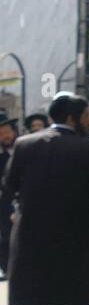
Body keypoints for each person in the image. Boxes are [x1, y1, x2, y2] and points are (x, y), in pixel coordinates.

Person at [1, 95, 89, 305]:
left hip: (32, 233)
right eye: (86, 115)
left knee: (34, 294)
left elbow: (9, 186)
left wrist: (17, 213)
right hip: (77, 232)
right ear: (72, 118)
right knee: (79, 287)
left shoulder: (25, 144)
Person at [0, 116, 18, 280]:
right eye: (1, 134)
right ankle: (6, 268)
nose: (5, 136)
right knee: (4, 237)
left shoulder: (23, 149)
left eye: (7, 132)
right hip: (3, 203)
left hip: (22, 200)